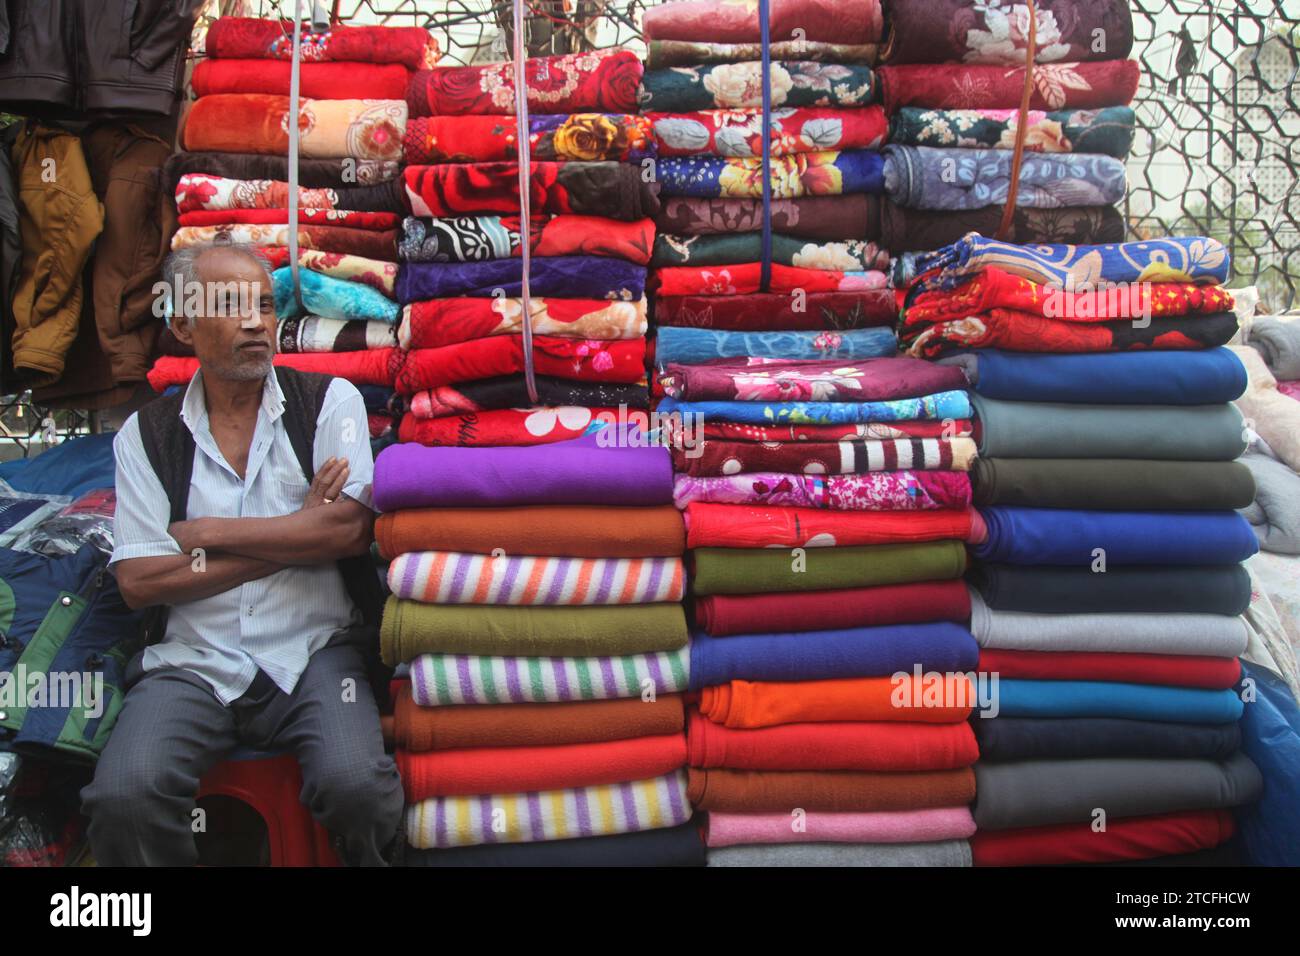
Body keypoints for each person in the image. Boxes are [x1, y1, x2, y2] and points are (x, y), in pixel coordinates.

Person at [80, 243, 403, 866]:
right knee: (125, 796)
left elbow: (347, 532)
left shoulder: (329, 401)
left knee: (357, 786)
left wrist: (209, 533)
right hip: (192, 665)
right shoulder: (146, 435)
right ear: (182, 324)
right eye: (231, 305)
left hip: (315, 652)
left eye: (263, 304)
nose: (257, 321)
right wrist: (295, 530)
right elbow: (143, 582)